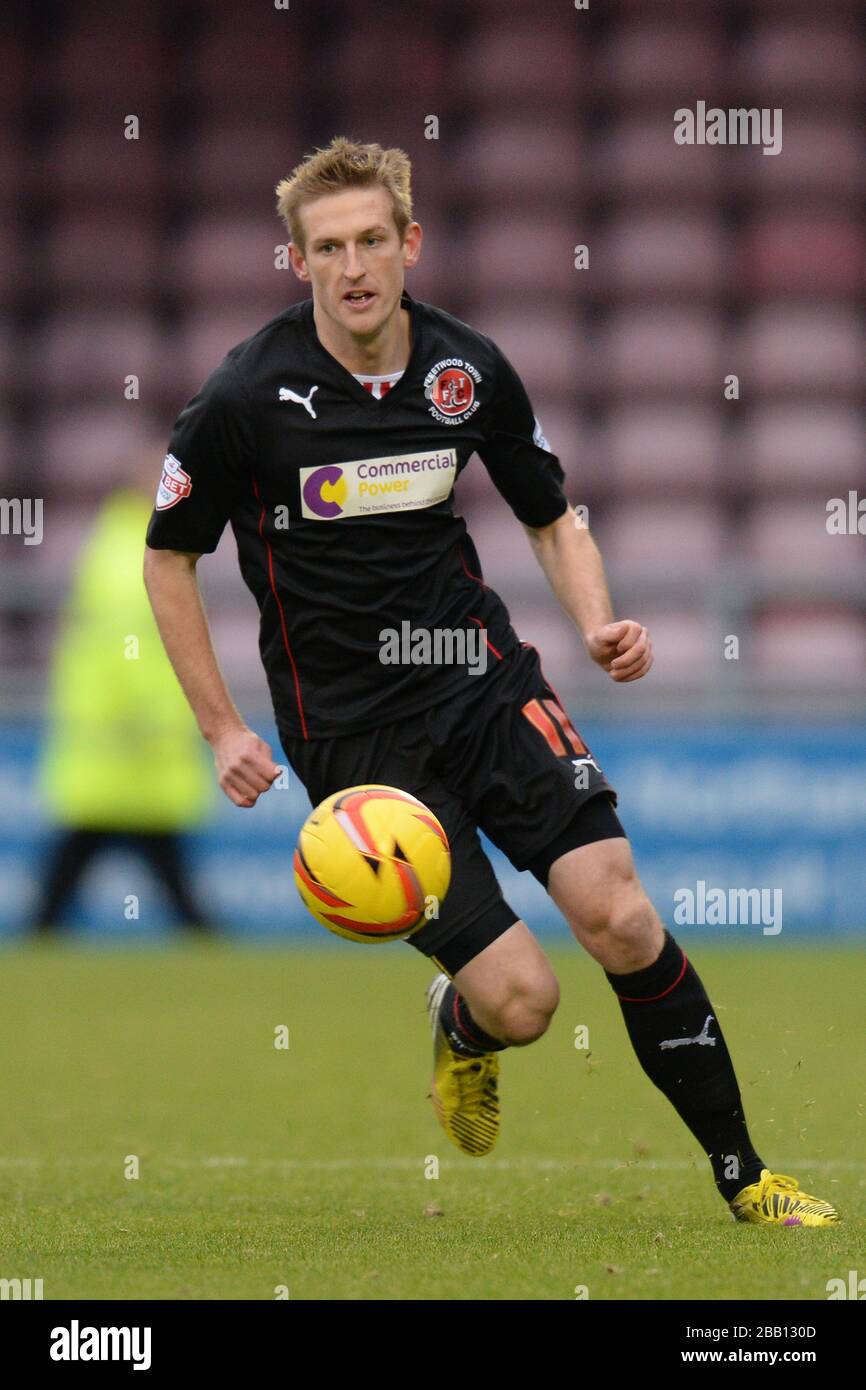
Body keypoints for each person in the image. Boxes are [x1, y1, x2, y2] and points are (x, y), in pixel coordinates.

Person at [143, 138, 837, 1226]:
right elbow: (166, 556)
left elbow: (550, 517)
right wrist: (221, 726)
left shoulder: (466, 371)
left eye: (373, 239)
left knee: (616, 914)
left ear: (409, 243)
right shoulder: (244, 395)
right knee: (523, 1001)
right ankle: (465, 1027)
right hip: (355, 738)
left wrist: (597, 619)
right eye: (328, 247)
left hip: (480, 680)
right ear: (297, 262)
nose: (354, 264)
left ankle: (747, 1178)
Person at [33, 446, 215, 935]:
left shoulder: (117, 544)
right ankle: (210, 948)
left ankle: (36, 944)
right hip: (130, 747)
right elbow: (127, 649)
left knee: (76, 870)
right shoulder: (134, 557)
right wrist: (155, 716)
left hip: (111, 753)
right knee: (165, 877)